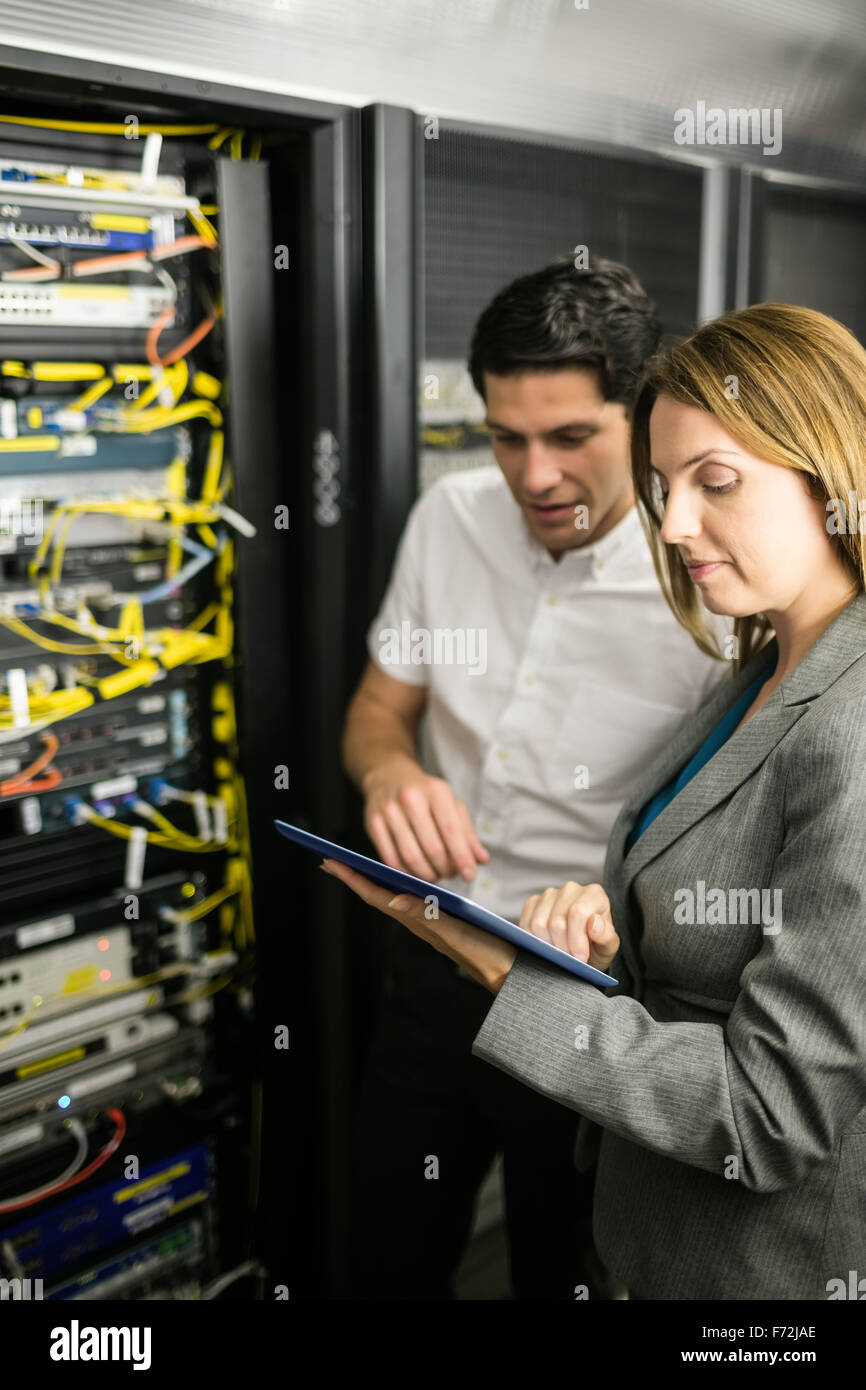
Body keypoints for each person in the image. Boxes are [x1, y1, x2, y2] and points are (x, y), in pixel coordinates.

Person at [326, 301, 866, 1300]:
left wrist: (503, 964)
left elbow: (769, 1116)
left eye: (714, 483)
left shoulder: (840, 714)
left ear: (830, 472)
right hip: (596, 1087)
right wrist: (604, 919)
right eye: (669, 488)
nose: (677, 525)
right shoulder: (759, 658)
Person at [339, 256, 727, 1300]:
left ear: (644, 418)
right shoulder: (446, 518)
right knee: (379, 1251)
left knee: (560, 1271)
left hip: (589, 996)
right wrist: (386, 778)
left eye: (568, 437)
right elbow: (381, 712)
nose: (532, 474)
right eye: (504, 436)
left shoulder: (709, 580)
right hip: (431, 952)